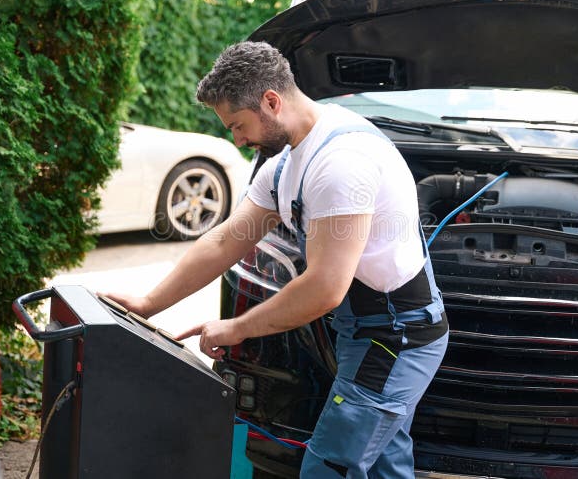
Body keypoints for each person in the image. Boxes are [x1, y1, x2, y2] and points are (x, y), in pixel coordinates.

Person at [102, 41, 448, 478]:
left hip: (395, 338)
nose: (238, 139)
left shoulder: (340, 162)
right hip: (363, 331)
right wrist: (149, 304)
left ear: (271, 101)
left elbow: (325, 287)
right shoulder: (288, 160)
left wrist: (236, 328)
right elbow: (226, 240)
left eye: (238, 125)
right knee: (383, 463)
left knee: (328, 468)